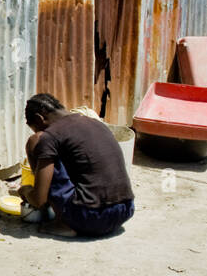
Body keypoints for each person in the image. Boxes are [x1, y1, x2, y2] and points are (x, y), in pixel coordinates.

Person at [17, 93, 135, 237]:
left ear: (39, 119)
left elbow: (39, 200)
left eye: (36, 127)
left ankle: (64, 224)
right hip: (125, 211)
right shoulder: (95, 123)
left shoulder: (50, 136)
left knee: (35, 142)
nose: (40, 133)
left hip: (90, 218)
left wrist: (26, 191)